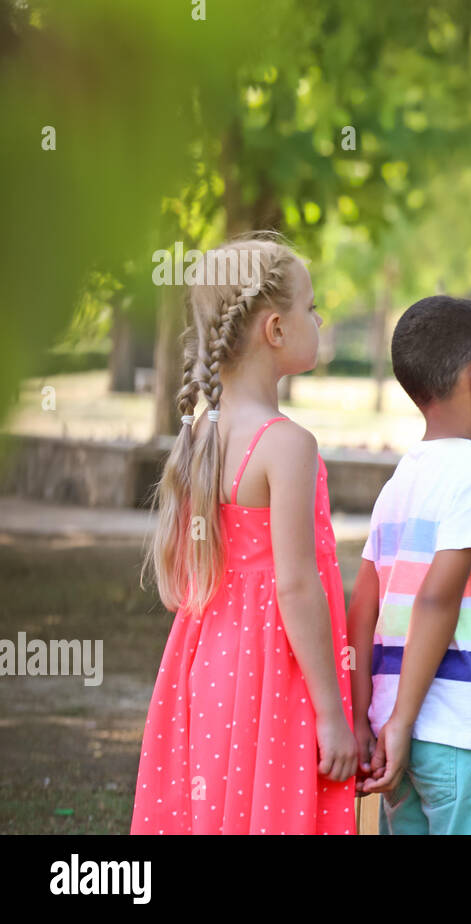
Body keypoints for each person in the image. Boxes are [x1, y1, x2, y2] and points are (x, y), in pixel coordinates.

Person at [133, 234, 356, 834]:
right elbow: (296, 586)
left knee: (218, 811)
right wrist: (333, 712)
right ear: (276, 330)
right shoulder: (287, 445)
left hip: (206, 667)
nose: (319, 318)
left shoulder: (201, 437)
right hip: (273, 674)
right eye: (311, 307)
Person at [348, 296, 471, 834]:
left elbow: (363, 607)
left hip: (397, 737)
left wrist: (367, 718)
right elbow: (436, 597)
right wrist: (400, 719)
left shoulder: (401, 480)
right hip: (465, 736)